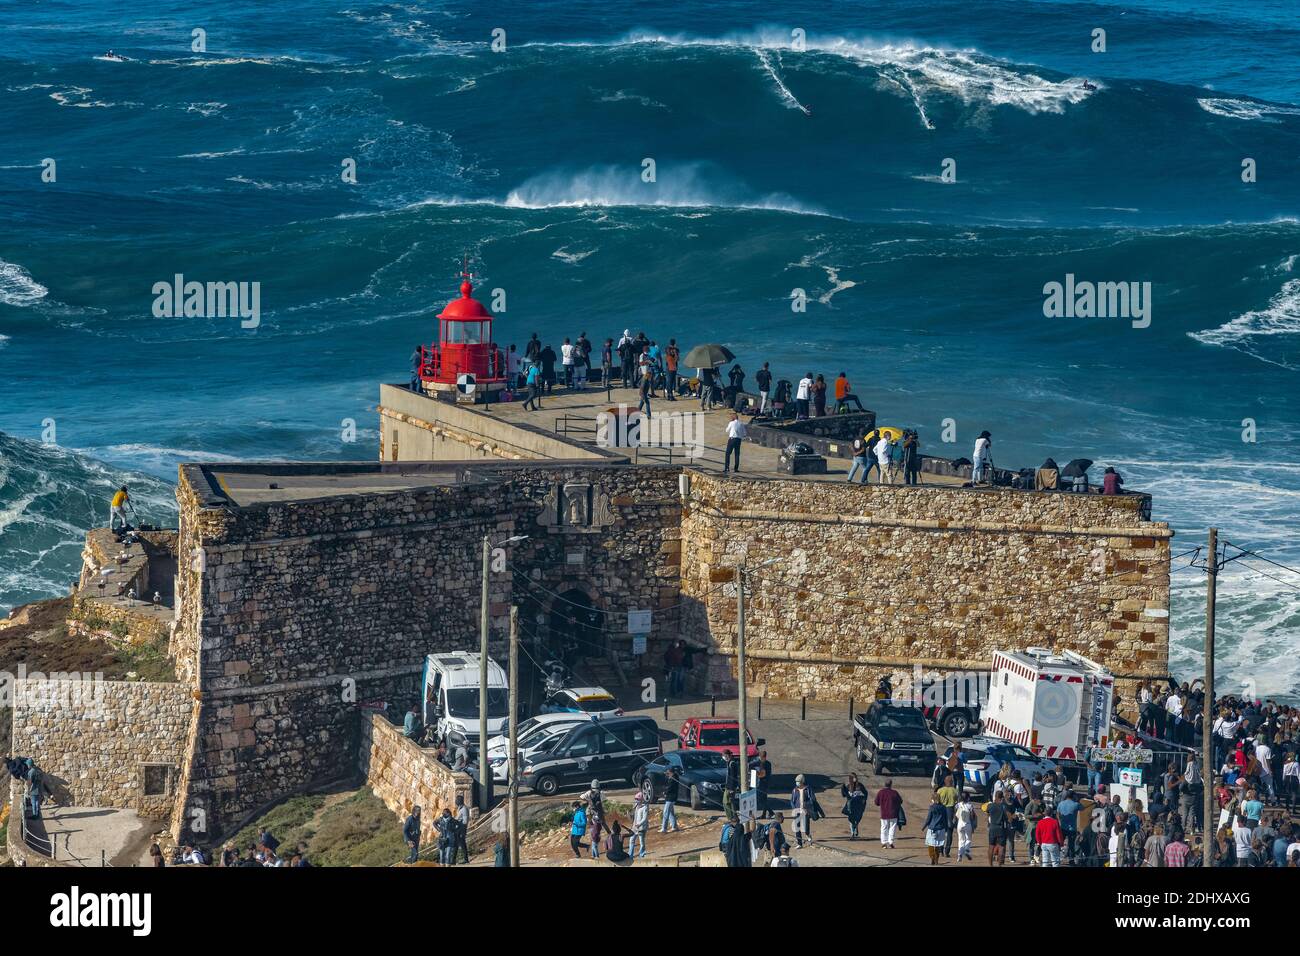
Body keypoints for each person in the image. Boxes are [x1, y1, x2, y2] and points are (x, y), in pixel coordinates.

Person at [790, 773, 819, 847]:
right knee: (797, 827)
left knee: (805, 827)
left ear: (802, 781)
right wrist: (794, 808)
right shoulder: (794, 790)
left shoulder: (808, 789)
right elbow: (792, 801)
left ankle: (808, 835)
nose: (797, 783)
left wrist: (808, 808)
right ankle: (799, 843)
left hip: (806, 811)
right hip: (797, 811)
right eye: (796, 781)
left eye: (798, 781)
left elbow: (812, 799)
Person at [875, 778, 902, 848]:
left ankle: (884, 843)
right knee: (892, 828)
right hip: (893, 813)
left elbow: (876, 803)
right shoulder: (895, 792)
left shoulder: (881, 792)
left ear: (885, 784)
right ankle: (891, 842)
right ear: (891, 785)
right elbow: (900, 801)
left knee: (884, 828)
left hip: (884, 813)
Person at [923, 790, 949, 864]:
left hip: (932, 828)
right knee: (938, 845)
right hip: (941, 828)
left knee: (930, 844)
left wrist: (924, 826)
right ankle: (937, 859)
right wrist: (946, 828)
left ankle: (932, 856)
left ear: (933, 799)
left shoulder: (932, 807)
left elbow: (928, 818)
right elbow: (945, 818)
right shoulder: (943, 807)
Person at [841, 773, 868, 838]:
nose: (855, 779)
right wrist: (842, 789)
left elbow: (865, 793)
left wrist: (864, 799)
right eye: (853, 777)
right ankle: (853, 833)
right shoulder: (848, 786)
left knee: (857, 819)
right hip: (851, 807)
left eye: (855, 777)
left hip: (859, 806)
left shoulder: (860, 786)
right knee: (851, 819)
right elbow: (844, 795)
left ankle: (855, 828)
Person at [956, 792, 977, 861]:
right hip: (967, 824)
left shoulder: (958, 804)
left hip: (960, 824)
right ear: (968, 798)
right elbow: (973, 816)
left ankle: (959, 855)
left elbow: (955, 812)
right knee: (968, 839)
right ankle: (966, 850)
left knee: (961, 840)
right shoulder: (970, 805)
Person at [661, 767, 682, 832]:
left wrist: (665, 792)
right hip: (669, 798)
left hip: (671, 798)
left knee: (665, 812)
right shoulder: (672, 777)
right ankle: (674, 827)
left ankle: (664, 828)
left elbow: (669, 788)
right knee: (670, 813)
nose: (667, 774)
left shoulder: (673, 779)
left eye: (668, 773)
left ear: (670, 772)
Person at [630, 791, 650, 859]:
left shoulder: (645, 807)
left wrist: (639, 824)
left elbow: (645, 818)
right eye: (635, 799)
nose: (636, 801)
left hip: (641, 828)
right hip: (634, 827)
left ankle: (641, 855)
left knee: (641, 842)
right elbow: (633, 816)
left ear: (641, 800)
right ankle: (630, 855)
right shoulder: (636, 807)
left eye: (637, 799)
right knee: (631, 840)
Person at [755, 749, 773, 817]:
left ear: (762, 757)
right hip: (766, 783)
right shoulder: (768, 763)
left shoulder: (763, 764)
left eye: (760, 757)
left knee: (761, 800)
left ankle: (771, 812)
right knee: (764, 799)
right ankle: (764, 814)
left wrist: (755, 773)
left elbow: (762, 774)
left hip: (762, 784)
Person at [454, 793, 471, 863]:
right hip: (458, 829)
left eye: (457, 800)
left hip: (461, 829)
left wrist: (462, 830)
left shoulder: (464, 809)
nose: (456, 801)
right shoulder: (460, 808)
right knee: (457, 844)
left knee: (462, 844)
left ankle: (465, 859)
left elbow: (465, 821)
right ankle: (454, 859)